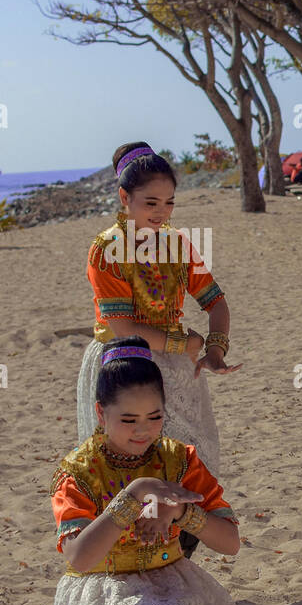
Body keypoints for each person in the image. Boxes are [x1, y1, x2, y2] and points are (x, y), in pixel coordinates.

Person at [52, 338, 276, 605]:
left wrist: (181, 513)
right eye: (129, 419)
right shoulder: (80, 471)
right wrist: (135, 492)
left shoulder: (178, 458)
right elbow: (80, 560)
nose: (143, 431)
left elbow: (230, 543)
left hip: (173, 578)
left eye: (154, 417)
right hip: (106, 591)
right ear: (101, 413)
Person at [78, 143, 241, 558]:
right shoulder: (106, 249)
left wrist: (216, 348)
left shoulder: (179, 245)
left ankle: (178, 562)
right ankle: (134, 567)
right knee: (130, 460)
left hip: (179, 373)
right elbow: (122, 328)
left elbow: (215, 301)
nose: (162, 211)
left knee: (190, 461)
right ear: (123, 198)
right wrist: (182, 342)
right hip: (123, 365)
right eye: (151, 202)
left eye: (169, 202)